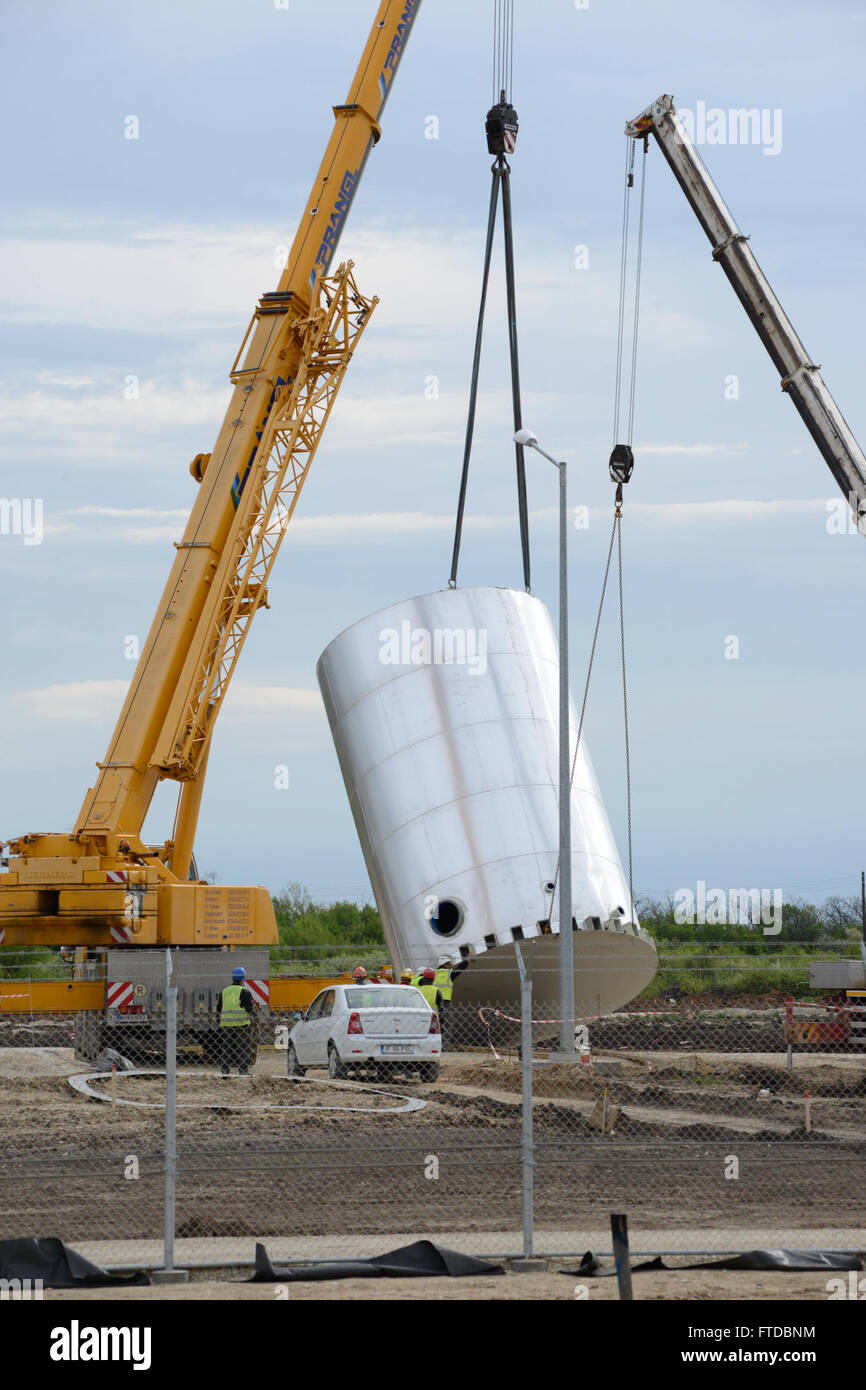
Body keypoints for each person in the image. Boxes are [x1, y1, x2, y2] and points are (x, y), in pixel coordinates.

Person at [217, 965, 254, 1077]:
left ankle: (225, 1071)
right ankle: (243, 1071)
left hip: (226, 1024)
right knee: (242, 1048)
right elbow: (249, 1009)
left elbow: (219, 1008)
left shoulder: (224, 991)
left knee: (226, 1048)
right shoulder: (245, 992)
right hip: (241, 1025)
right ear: (243, 979)